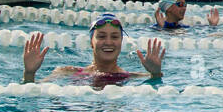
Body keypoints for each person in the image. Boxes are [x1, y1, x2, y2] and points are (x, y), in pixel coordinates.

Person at [22, 13, 164, 86]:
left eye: (114, 37)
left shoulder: (133, 77)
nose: (108, 42)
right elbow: (34, 90)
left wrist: (156, 74)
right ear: (91, 42)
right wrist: (29, 73)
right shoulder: (65, 72)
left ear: (121, 42)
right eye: (101, 36)